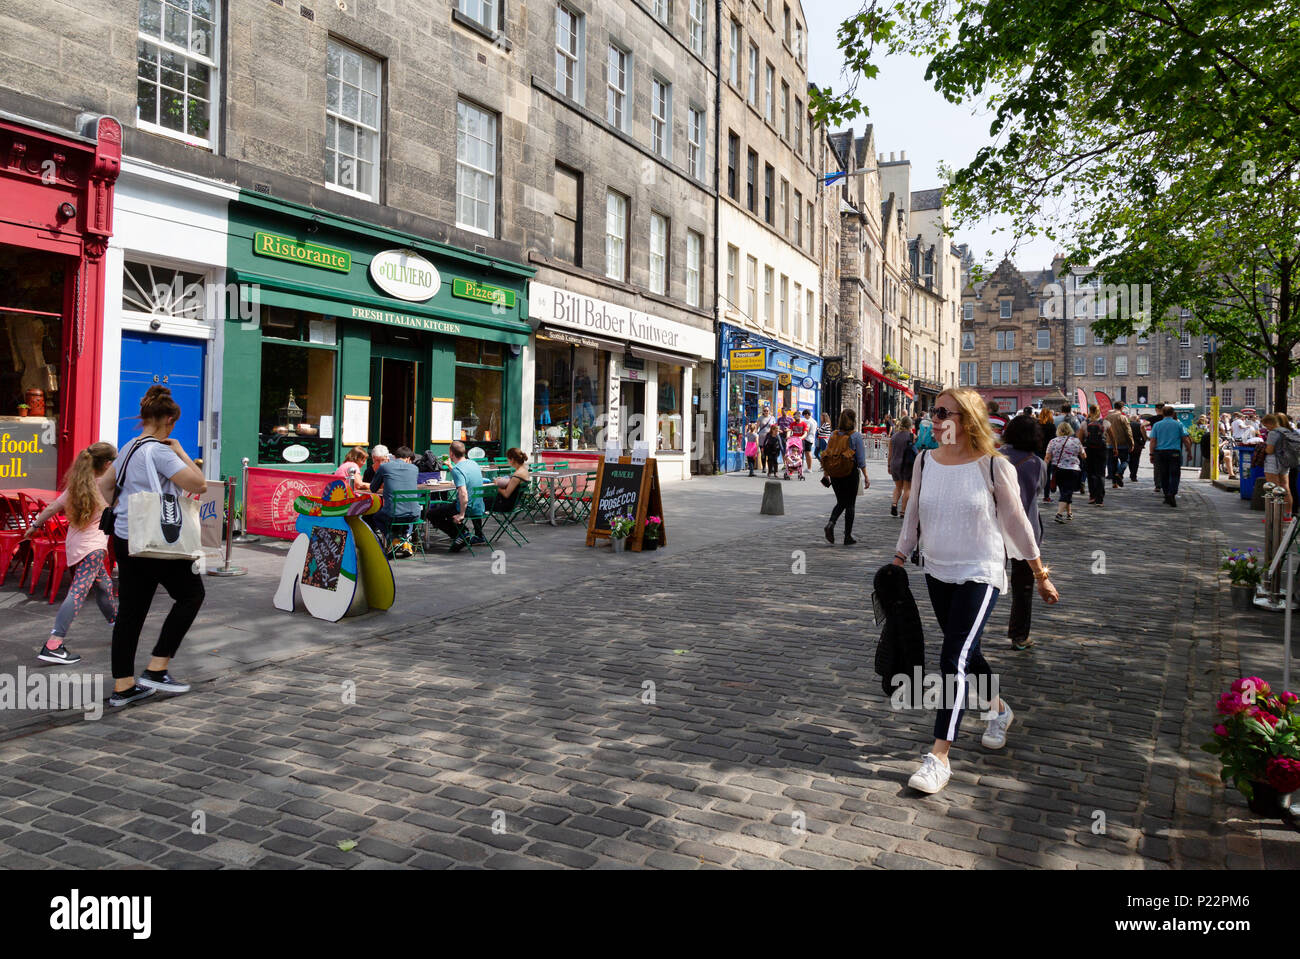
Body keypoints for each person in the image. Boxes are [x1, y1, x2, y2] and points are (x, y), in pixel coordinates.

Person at [893, 388, 1058, 795]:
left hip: (980, 571)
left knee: (953, 656)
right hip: (937, 569)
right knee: (967, 651)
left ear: (966, 419)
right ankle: (999, 710)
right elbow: (913, 514)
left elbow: (1016, 523)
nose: (933, 418)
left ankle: (939, 756)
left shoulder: (993, 465)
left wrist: (1040, 573)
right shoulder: (924, 462)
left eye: (942, 412)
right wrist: (898, 558)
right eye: (933, 411)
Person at [107, 386, 207, 708]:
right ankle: (157, 667)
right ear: (167, 419)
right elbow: (199, 484)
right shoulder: (160, 452)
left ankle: (123, 686)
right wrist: (180, 452)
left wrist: (115, 511)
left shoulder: (128, 448)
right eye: (173, 423)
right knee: (192, 594)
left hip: (125, 536)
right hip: (155, 539)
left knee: (131, 613)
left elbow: (102, 486)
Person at [24, 442, 119, 666]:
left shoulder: (79, 485)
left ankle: (118, 625)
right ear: (106, 464)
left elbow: (51, 509)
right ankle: (54, 644)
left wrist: (34, 526)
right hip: (93, 548)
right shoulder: (108, 487)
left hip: (76, 545)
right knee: (77, 593)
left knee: (104, 586)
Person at [1000, 416, 1047, 651]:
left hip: (995, 528)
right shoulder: (1037, 463)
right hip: (1025, 530)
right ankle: (1019, 635)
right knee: (1023, 587)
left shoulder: (994, 457)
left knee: (985, 583)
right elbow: (1039, 490)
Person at [426, 441, 488, 551]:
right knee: (452, 506)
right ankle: (479, 536)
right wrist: (450, 466)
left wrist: (461, 514)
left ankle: (462, 533)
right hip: (479, 506)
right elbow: (460, 476)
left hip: (466, 507)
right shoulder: (473, 464)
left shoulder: (458, 469)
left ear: (451, 453)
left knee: (431, 514)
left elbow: (463, 494)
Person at [822, 408, 870, 545]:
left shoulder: (833, 434)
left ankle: (831, 523)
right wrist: (866, 476)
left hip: (835, 473)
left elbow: (828, 454)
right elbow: (860, 459)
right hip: (850, 473)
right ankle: (847, 536)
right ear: (854, 420)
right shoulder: (855, 436)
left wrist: (826, 473)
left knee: (841, 502)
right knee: (850, 505)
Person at [365, 445, 421, 549]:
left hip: (393, 514)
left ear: (394, 457)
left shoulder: (384, 467)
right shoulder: (415, 468)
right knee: (409, 513)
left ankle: (394, 539)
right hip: (415, 514)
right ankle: (406, 540)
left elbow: (373, 488)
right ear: (408, 459)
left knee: (378, 517)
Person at [1149, 405, 1191, 507]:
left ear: (1163, 413)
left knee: (1164, 474)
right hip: (1174, 452)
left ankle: (1167, 494)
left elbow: (1153, 441)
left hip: (1160, 453)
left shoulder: (1157, 425)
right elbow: (1185, 439)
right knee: (1175, 474)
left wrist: (1151, 454)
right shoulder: (1178, 424)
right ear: (1173, 413)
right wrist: (1189, 451)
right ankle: (1172, 493)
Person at [1045, 422, 1084, 523]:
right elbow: (1084, 456)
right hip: (1073, 469)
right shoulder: (1076, 441)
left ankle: (1069, 513)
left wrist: (1043, 468)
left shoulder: (1053, 441)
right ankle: (1059, 514)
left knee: (1065, 490)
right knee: (1067, 491)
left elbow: (1048, 457)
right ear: (1070, 430)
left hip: (1058, 469)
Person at [1262, 413, 1294, 520]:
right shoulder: (1288, 431)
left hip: (1273, 462)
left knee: (1272, 488)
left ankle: (1273, 517)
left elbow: (1270, 450)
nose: (1266, 428)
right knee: (1285, 487)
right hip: (1285, 462)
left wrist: (1264, 449)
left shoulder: (1273, 433)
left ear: (1270, 423)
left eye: (1266, 425)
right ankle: (1287, 514)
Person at [888, 416, 916, 519]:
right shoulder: (911, 436)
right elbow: (915, 450)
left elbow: (890, 453)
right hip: (907, 464)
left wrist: (889, 465)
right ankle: (903, 511)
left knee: (898, 487)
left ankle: (894, 504)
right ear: (910, 425)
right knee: (907, 488)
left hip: (895, 464)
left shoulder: (894, 436)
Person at [489, 447, 531, 514]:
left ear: (512, 459)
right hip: (513, 504)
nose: (508, 461)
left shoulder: (517, 474)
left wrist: (497, 486)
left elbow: (506, 494)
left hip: (505, 505)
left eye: (508, 459)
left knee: (480, 501)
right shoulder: (524, 471)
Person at [1081, 405, 1108, 506]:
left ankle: (1092, 496)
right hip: (1102, 450)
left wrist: (1080, 451)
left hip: (1089, 450)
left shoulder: (1085, 423)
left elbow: (1080, 438)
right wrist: (1114, 448)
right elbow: (1112, 435)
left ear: (1090, 411)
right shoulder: (1105, 422)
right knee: (1100, 474)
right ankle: (1099, 499)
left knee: (1090, 473)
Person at [1105, 410, 1132, 489]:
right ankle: (1119, 473)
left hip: (1110, 444)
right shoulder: (1123, 417)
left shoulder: (1106, 418)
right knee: (1125, 460)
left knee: (1113, 463)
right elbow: (1128, 431)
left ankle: (1114, 483)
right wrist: (1131, 443)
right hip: (1122, 443)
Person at [1127, 408, 1147, 483]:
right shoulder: (1140, 425)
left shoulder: (1128, 425)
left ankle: (1131, 472)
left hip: (1129, 445)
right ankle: (1133, 475)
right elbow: (1144, 436)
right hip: (1138, 445)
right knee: (1136, 460)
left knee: (1130, 460)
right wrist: (1143, 443)